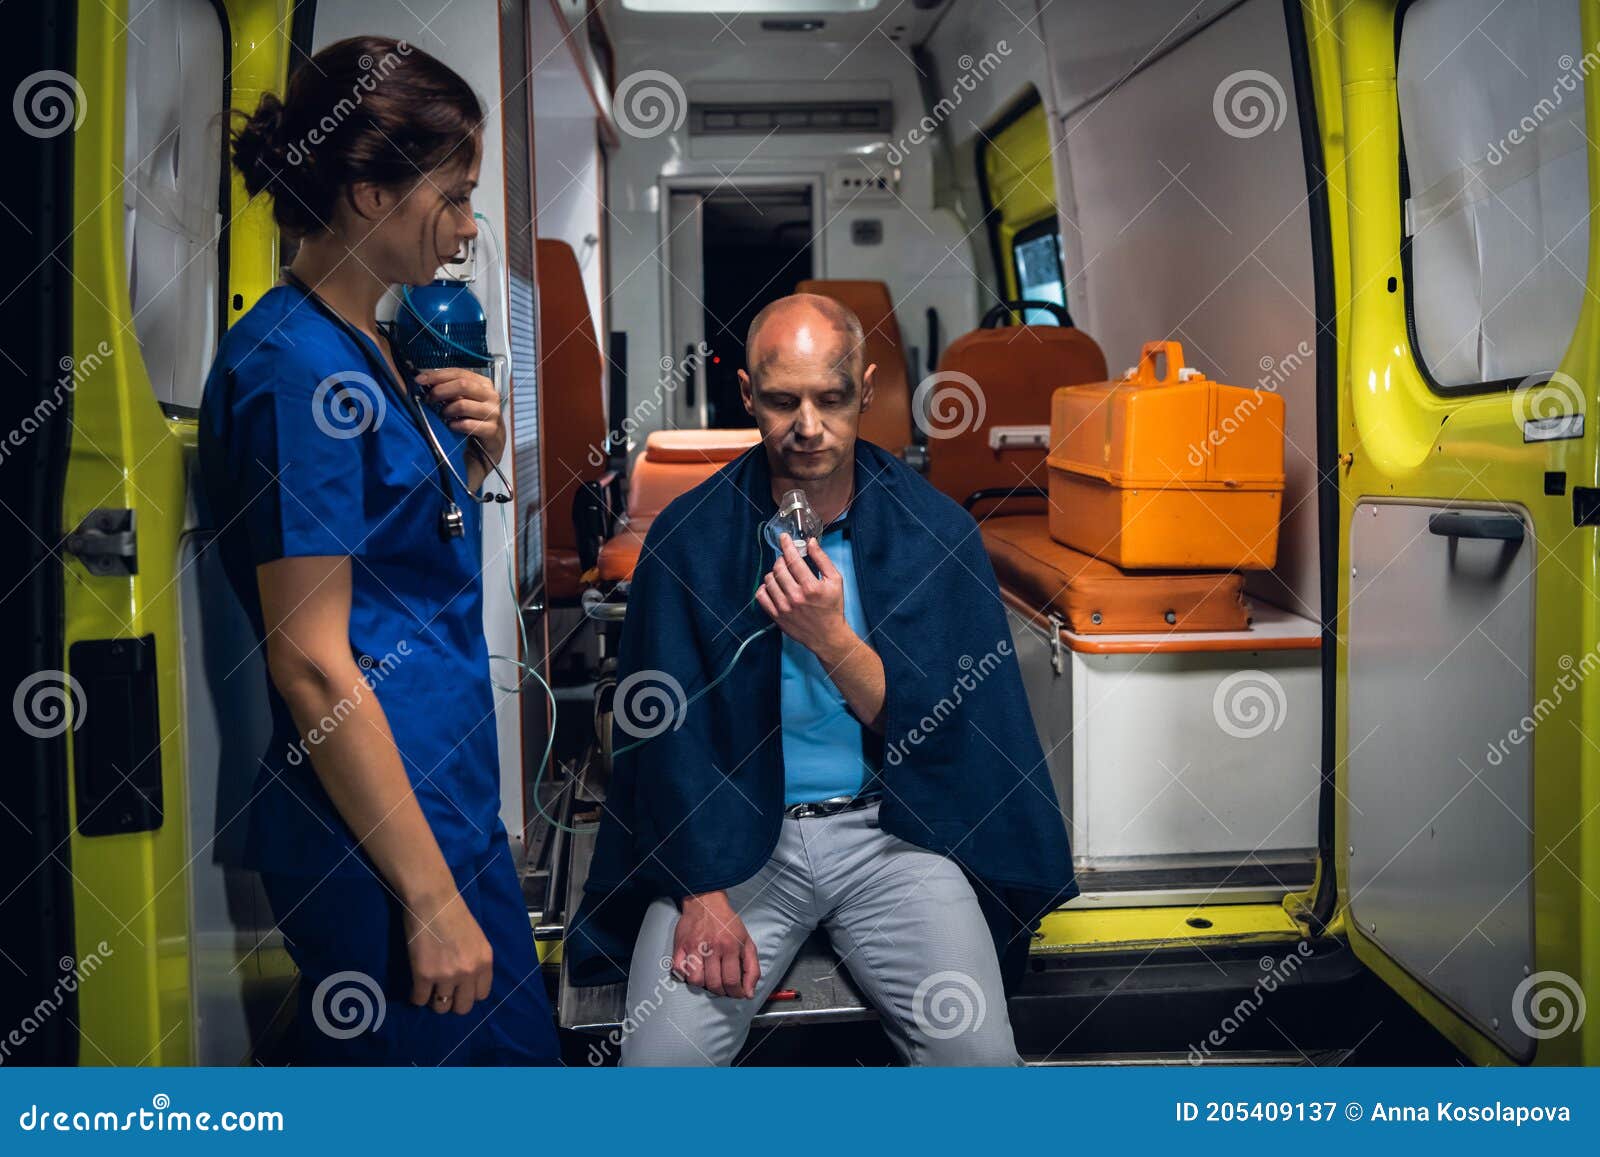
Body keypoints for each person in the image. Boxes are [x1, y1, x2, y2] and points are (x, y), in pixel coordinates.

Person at [566, 293, 1077, 1065]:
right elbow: (663, 741)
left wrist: (829, 636)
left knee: (981, 1062)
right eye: (781, 400)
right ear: (746, 395)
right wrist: (701, 896)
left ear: (866, 390)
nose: (808, 425)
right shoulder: (689, 536)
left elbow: (938, 727)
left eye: (832, 398)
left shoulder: (934, 531)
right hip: (734, 846)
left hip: (891, 837)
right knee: (657, 1069)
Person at [197, 35, 559, 1065]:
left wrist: (477, 458)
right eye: (452, 195)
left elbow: (403, 558)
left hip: (444, 805)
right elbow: (309, 661)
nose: (467, 226)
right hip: (380, 845)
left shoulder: (376, 348)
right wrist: (433, 899)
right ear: (366, 191)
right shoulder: (294, 370)